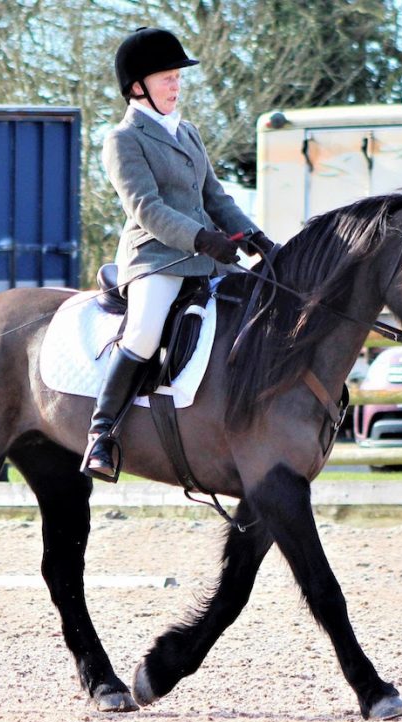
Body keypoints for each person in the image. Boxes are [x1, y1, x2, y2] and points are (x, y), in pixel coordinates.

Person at [81, 26, 276, 481]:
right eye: (166, 77)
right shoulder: (123, 139)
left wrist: (253, 237)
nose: (176, 84)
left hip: (206, 255)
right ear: (137, 86)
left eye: (176, 76)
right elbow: (145, 207)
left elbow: (216, 197)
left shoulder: (188, 132)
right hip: (156, 258)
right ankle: (102, 432)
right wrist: (199, 238)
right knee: (146, 331)